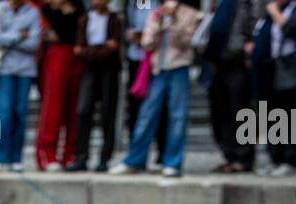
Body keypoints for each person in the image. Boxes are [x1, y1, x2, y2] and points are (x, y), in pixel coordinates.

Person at [111, 0, 200, 176]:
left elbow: (187, 42)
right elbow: (147, 43)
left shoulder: (191, 14)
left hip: (179, 68)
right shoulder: (155, 12)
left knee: (178, 116)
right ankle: (134, 160)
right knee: (146, 115)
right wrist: (160, 23)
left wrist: (173, 21)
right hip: (157, 70)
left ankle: (172, 163)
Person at [0, 0, 41, 170]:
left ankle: (15, 157)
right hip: (3, 69)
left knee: (20, 113)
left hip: (25, 70)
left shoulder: (33, 13)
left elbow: (33, 43)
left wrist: (8, 38)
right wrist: (19, 35)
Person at [69, 0, 122, 171]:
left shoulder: (114, 20)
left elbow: (114, 47)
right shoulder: (84, 19)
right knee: (83, 111)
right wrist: (102, 47)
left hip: (109, 71)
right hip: (89, 70)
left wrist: (90, 50)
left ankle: (104, 158)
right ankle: (81, 157)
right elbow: (78, 50)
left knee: (107, 113)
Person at [206, 0, 258, 172]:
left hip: (238, 60)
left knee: (241, 111)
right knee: (222, 110)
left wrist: (251, 42)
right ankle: (229, 155)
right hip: (217, 61)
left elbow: (255, 19)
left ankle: (243, 158)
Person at [36, 0, 83, 170]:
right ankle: (46, 154)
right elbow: (48, 33)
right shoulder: (47, 8)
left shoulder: (79, 8)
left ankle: (69, 154)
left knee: (74, 109)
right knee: (52, 108)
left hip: (76, 58)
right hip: (55, 56)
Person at [265, 0, 296, 172]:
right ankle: (275, 158)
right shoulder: (267, 11)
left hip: (291, 69)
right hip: (272, 67)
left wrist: (274, 11)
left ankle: (290, 159)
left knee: (290, 115)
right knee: (273, 114)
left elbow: (291, 29)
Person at [125, 0, 167, 165]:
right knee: (135, 108)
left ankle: (162, 152)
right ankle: (136, 154)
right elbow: (134, 21)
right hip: (137, 58)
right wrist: (132, 34)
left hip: (156, 59)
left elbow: (147, 19)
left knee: (160, 107)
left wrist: (144, 36)